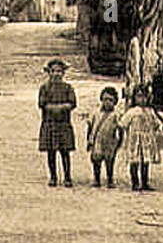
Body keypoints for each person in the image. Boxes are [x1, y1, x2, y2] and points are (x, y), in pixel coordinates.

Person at [37, 59, 76, 187]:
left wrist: (63, 107)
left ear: (63, 73)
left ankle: (67, 176)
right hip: (49, 124)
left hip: (64, 124)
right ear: (49, 73)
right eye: (53, 71)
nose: (56, 74)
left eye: (59, 71)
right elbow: (42, 104)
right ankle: (53, 176)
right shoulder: (44, 88)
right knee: (51, 152)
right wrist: (55, 108)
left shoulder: (68, 88)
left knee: (65, 152)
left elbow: (73, 103)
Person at [117, 86, 163, 191]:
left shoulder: (150, 111)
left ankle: (145, 182)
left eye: (144, 97)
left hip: (146, 139)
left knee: (145, 161)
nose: (142, 99)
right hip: (134, 140)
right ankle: (135, 182)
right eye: (139, 96)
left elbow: (156, 124)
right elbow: (122, 124)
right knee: (134, 161)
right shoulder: (132, 111)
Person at [85, 86, 122, 188]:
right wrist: (88, 139)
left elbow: (120, 128)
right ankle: (96, 179)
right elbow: (90, 126)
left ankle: (110, 179)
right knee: (96, 160)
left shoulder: (116, 115)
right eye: (105, 99)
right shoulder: (96, 113)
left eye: (110, 100)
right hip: (97, 140)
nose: (107, 102)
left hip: (110, 141)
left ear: (115, 101)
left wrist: (119, 142)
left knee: (109, 161)